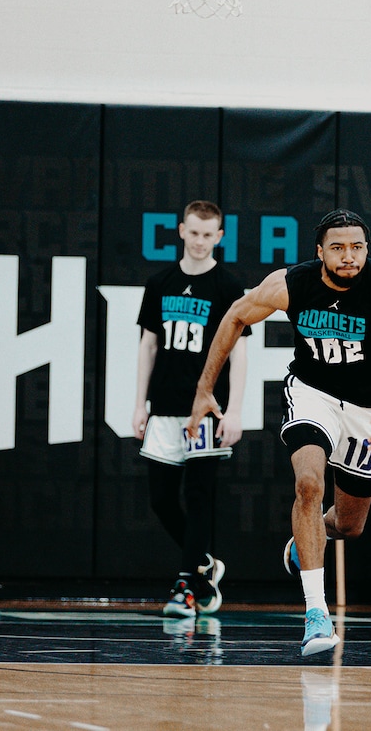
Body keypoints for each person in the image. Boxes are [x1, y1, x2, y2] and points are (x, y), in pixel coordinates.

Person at [187, 208, 371, 656]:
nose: (348, 257)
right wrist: (205, 389)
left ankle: (308, 538)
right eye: (338, 248)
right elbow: (234, 317)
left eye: (357, 247)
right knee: (308, 484)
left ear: (367, 250)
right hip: (312, 394)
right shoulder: (290, 283)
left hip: (368, 410)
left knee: (349, 524)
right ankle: (316, 614)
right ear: (320, 251)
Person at [133, 200, 249, 619]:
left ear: (219, 237)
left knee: (198, 496)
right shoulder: (159, 281)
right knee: (162, 499)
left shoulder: (227, 287)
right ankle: (204, 565)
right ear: (181, 231)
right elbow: (148, 346)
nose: (200, 241)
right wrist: (139, 405)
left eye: (208, 234)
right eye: (193, 232)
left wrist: (234, 410)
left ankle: (185, 586)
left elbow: (239, 354)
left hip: (207, 409)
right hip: (164, 407)